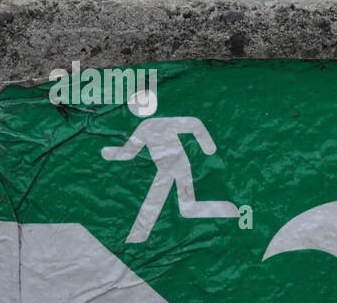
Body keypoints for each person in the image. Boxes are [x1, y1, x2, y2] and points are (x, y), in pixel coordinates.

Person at [100, 90, 239, 243]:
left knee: (173, 203)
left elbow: (193, 124)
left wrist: (208, 146)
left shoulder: (152, 125)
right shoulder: (145, 126)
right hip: (167, 168)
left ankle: (138, 235)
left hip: (177, 166)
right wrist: (110, 152)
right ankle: (228, 209)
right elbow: (130, 151)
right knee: (186, 207)